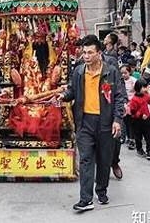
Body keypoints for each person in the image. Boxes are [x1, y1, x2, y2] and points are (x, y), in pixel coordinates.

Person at [57, 34, 125, 212]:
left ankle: (101, 190)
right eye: (84, 52)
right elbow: (72, 90)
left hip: (105, 122)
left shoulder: (111, 71)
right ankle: (85, 199)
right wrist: (63, 96)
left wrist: (117, 120)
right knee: (86, 159)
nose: (85, 56)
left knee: (104, 160)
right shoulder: (79, 71)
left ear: (99, 53)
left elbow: (119, 96)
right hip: (85, 122)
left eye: (89, 52)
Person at [129, 79, 150, 161]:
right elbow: (132, 111)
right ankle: (139, 149)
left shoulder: (146, 96)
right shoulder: (134, 99)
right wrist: (140, 115)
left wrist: (149, 92)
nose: (146, 89)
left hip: (146, 119)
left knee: (149, 135)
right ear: (139, 88)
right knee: (138, 136)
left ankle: (149, 151)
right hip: (137, 121)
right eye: (144, 87)